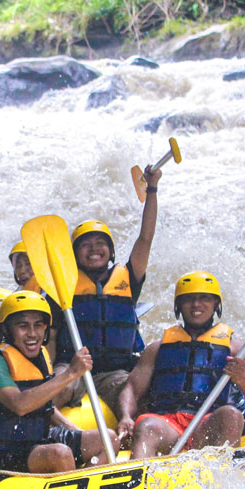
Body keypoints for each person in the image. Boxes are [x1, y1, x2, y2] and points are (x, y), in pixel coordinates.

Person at [0, 291, 119, 473]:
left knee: (109, 439)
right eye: (23, 326)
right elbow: (20, 404)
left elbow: (45, 406)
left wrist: (74, 430)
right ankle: (71, 484)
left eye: (38, 325)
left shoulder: (40, 356)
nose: (32, 334)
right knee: (60, 453)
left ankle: (84, 481)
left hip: (34, 440)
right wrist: (71, 373)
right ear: (6, 330)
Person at [117, 271, 245, 458]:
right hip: (168, 424)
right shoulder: (157, 349)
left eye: (204, 298)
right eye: (188, 299)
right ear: (178, 306)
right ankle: (138, 475)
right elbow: (132, 390)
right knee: (147, 426)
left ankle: (223, 470)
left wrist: (242, 378)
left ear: (216, 304)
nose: (196, 304)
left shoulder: (236, 349)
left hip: (207, 424)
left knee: (231, 415)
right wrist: (126, 416)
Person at [50, 164, 161, 417]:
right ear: (74, 254)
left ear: (111, 252)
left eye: (101, 243)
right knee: (56, 389)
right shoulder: (62, 285)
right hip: (73, 366)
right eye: (85, 245)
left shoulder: (129, 277)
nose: (94, 249)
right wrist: (50, 373)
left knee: (142, 399)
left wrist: (152, 189)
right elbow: (52, 337)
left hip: (116, 371)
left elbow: (146, 238)